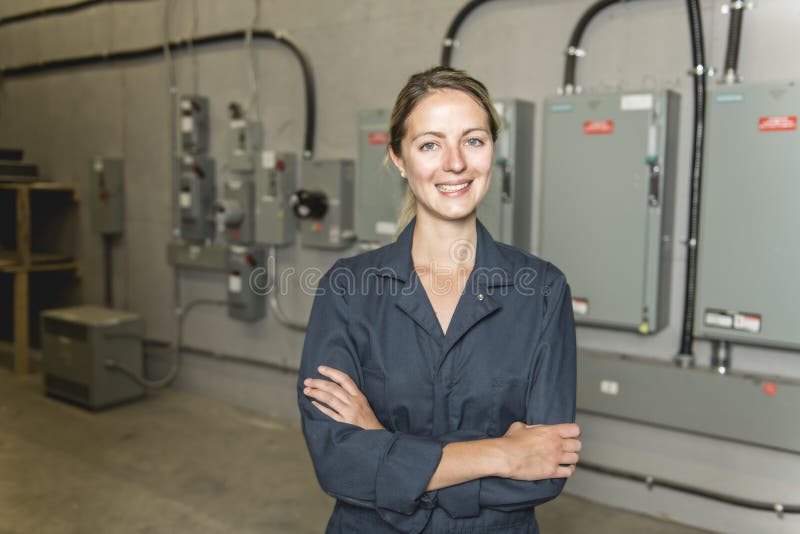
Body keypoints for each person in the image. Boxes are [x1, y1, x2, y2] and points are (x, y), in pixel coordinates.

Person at [298, 66, 580, 534]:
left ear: (493, 150)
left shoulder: (543, 291)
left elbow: (543, 472)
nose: (455, 163)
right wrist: (500, 454)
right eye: (430, 144)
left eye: (473, 140)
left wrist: (381, 444)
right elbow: (337, 463)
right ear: (399, 158)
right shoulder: (347, 289)